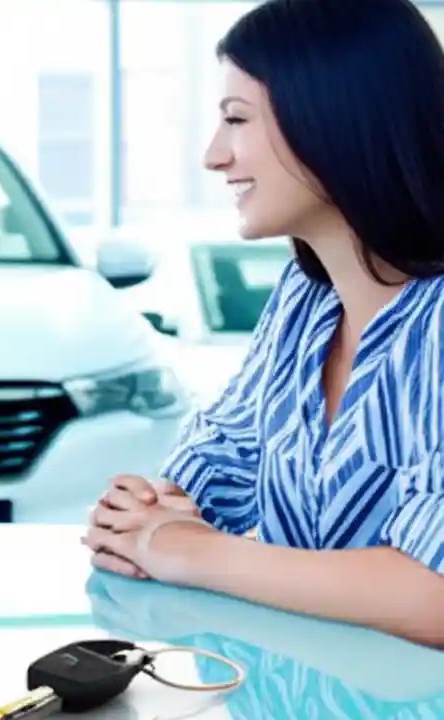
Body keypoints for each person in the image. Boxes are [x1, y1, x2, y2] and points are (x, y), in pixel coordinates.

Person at [82, 0, 444, 649]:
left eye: (236, 120)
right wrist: (141, 518)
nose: (214, 156)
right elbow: (206, 476)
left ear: (334, 119)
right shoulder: (303, 301)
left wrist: (184, 550)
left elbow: (435, 595)